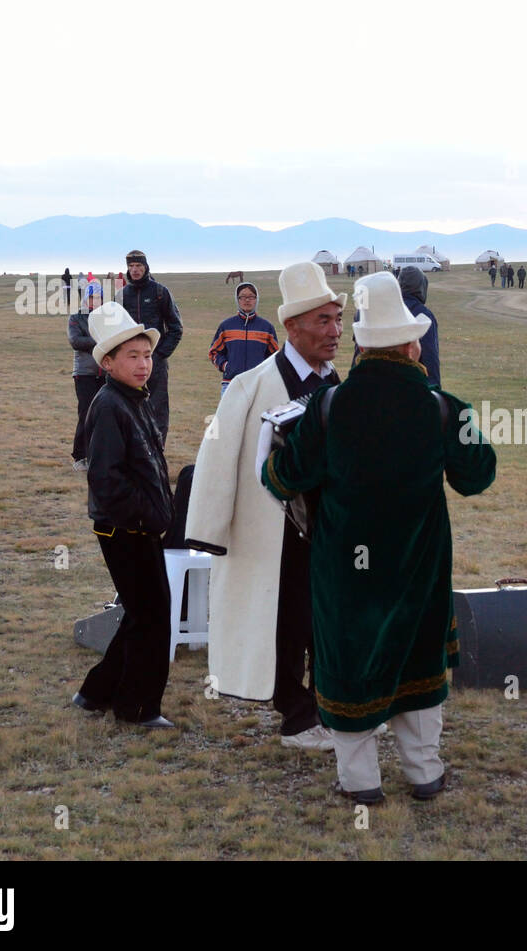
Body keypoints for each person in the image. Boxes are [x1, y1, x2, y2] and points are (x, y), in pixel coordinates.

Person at [261, 272, 497, 805]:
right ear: (412, 344)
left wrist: (276, 449)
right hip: (419, 571)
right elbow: (478, 475)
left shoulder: (325, 407)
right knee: (418, 661)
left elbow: (282, 478)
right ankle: (423, 771)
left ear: (363, 344)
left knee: (351, 664)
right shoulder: (443, 408)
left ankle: (361, 781)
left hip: (346, 572)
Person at [185, 263, 348, 751]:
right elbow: (217, 456)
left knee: (323, 620)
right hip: (271, 535)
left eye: (339, 319)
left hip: (326, 532)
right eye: (324, 321)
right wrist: (209, 529)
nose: (336, 331)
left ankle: (325, 706)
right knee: (280, 623)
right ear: (292, 328)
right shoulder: (250, 386)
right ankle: (295, 715)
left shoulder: (336, 381)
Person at [71, 301, 175, 729]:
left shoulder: (134, 398)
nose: (143, 363)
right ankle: (136, 708)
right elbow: (107, 480)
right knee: (153, 615)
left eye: (146, 354)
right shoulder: (111, 404)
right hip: (124, 529)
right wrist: (148, 517)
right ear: (108, 363)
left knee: (139, 611)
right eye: (132, 356)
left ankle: (95, 693)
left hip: (136, 526)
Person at [119, 250, 183, 445]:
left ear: (146, 267)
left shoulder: (160, 292)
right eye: (131, 266)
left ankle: (157, 450)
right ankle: (132, 450)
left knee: (157, 406)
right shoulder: (121, 295)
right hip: (129, 361)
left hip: (154, 360)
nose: (135, 270)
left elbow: (175, 327)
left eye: (139, 266)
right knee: (127, 404)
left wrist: (160, 355)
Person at [208, 281, 280, 395]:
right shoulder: (226, 326)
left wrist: (265, 374)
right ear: (238, 300)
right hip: (231, 384)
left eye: (251, 296)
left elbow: (275, 357)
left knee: (258, 414)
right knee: (230, 414)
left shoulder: (266, 328)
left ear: (256, 299)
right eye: (243, 297)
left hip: (258, 386)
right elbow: (214, 352)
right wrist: (226, 366)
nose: (247, 300)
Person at [67, 282, 106, 470]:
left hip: (106, 373)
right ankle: (80, 456)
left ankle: (98, 455)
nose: (94, 301)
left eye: (98, 297)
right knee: (86, 414)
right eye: (91, 297)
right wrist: (100, 341)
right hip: (85, 374)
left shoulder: (108, 318)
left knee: (104, 415)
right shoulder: (76, 318)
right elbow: (76, 341)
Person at [398, 266, 441, 385]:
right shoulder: (423, 315)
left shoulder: (389, 310)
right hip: (415, 388)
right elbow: (430, 358)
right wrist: (434, 391)